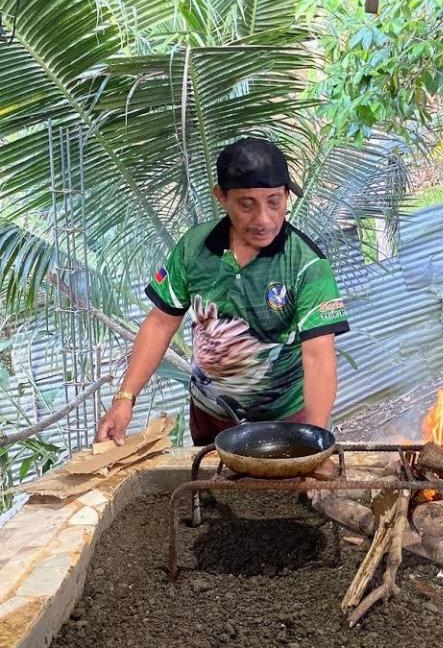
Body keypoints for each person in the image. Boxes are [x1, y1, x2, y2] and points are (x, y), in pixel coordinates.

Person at [96, 137, 350, 446]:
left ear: (287, 195)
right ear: (222, 197)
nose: (264, 219)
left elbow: (319, 357)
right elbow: (161, 322)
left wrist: (315, 438)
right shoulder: (193, 248)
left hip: (284, 422)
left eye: (274, 202)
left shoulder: (306, 264)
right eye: (247, 204)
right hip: (210, 418)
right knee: (210, 490)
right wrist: (125, 398)